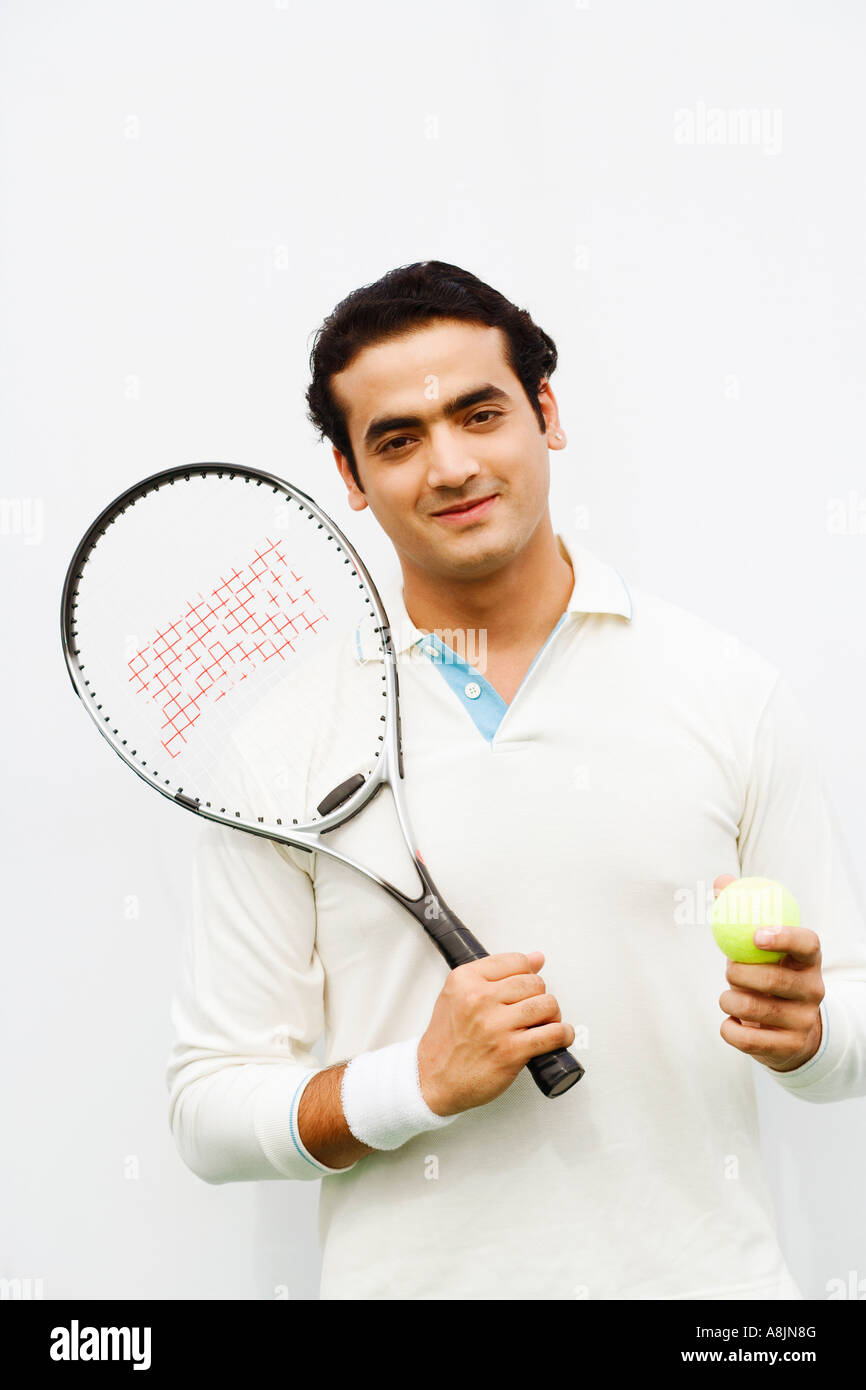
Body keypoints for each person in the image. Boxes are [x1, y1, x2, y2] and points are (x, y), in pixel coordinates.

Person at [167, 260, 866, 1300]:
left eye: (478, 413)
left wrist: (809, 1036)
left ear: (544, 413)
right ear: (350, 478)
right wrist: (417, 1080)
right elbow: (207, 1113)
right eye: (396, 439)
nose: (448, 464)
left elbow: (846, 1026)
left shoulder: (725, 690)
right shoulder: (279, 750)